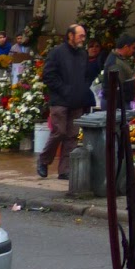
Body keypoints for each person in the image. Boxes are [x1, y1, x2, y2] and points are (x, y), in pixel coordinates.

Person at [37, 24, 96, 180]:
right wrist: (64, 89)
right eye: (80, 35)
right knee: (59, 132)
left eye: (84, 36)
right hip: (60, 101)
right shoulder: (57, 53)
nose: (83, 38)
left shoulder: (82, 54)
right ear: (70, 35)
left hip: (77, 101)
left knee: (72, 135)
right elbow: (48, 75)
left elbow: (85, 75)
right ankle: (44, 160)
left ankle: (65, 170)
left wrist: (82, 90)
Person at [103, 34, 135, 110]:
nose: (134, 51)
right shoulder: (115, 63)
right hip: (118, 105)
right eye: (133, 48)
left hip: (122, 103)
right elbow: (116, 88)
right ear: (126, 47)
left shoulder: (120, 59)